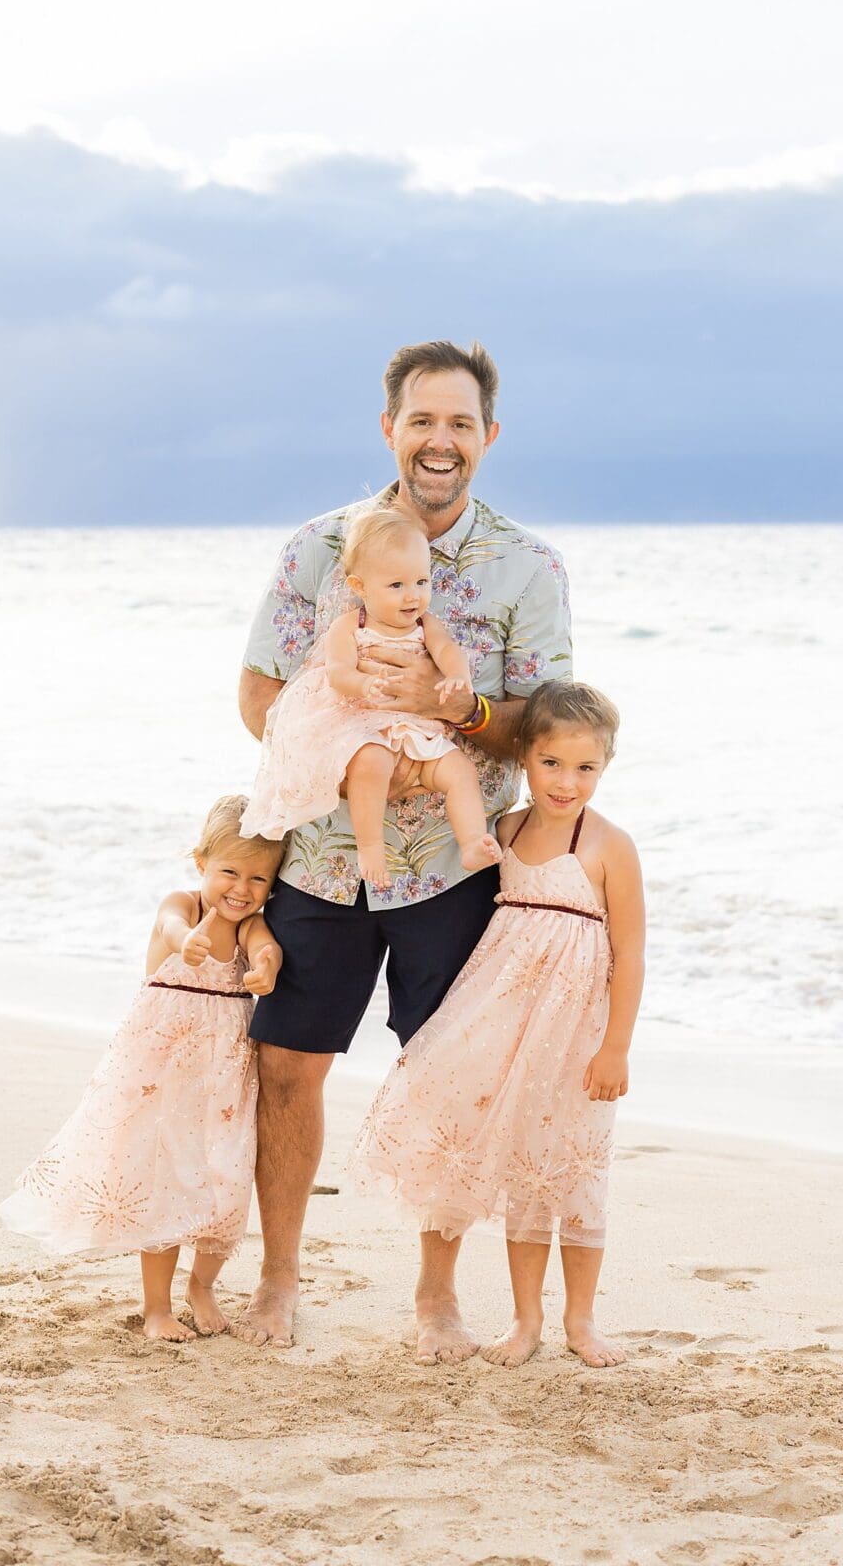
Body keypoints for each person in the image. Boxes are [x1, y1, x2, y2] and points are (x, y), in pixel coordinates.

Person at [234, 339, 573, 1362]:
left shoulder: (529, 566)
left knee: (446, 1075)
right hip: (325, 857)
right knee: (288, 1066)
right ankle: (279, 1279)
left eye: (459, 423)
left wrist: (457, 709)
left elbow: (546, 723)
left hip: (456, 870)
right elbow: (255, 694)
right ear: (389, 428)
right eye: (421, 420)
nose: (439, 441)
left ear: (487, 437)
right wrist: (353, 766)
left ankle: (434, 1297)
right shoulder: (314, 549)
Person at [350, 682, 645, 1369]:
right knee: (522, 1175)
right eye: (549, 764)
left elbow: (628, 952)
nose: (565, 782)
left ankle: (580, 1320)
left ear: (604, 766)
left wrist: (616, 1047)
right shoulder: (506, 830)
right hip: (506, 1021)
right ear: (523, 756)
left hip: (573, 1034)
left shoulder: (608, 846)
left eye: (584, 768)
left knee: (569, 1172)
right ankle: (526, 1321)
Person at [0, 796, 284, 1342]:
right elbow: (170, 924)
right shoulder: (186, 907)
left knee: (221, 1184)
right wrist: (189, 943)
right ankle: (157, 1308)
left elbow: (265, 946)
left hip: (221, 1083)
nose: (242, 888)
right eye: (229, 871)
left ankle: (202, 1284)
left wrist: (266, 967)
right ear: (201, 863)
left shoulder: (251, 925)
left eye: (258, 878)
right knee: (163, 1185)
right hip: (159, 1077)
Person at [240, 507, 501, 884]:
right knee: (372, 762)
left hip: (415, 728)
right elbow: (338, 672)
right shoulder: (349, 626)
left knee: (458, 770)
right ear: (360, 587)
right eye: (396, 586)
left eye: (422, 582)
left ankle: (473, 840)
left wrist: (457, 675)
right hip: (362, 723)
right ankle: (371, 846)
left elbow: (447, 650)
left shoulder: (426, 624)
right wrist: (363, 684)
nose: (413, 596)